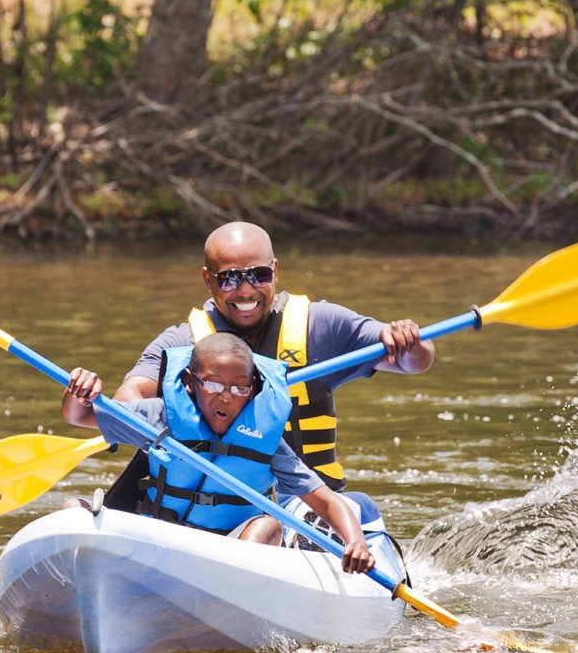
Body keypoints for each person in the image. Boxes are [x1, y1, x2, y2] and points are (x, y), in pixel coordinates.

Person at [100, 221, 436, 538]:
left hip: (304, 504)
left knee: (353, 508)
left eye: (258, 276)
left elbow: (415, 362)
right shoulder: (183, 343)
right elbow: (129, 396)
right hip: (218, 513)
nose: (245, 291)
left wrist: (408, 343)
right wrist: (158, 417)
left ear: (275, 271)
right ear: (208, 280)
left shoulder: (320, 326)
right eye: (229, 279)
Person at [61, 333, 377, 573]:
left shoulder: (266, 443)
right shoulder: (159, 418)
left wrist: (356, 543)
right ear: (189, 383)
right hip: (159, 539)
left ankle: (228, 602)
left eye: (240, 388)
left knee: (267, 525)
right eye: (213, 385)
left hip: (231, 550)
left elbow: (327, 501)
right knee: (72, 510)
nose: (226, 398)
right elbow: (78, 416)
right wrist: (80, 392)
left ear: (253, 389)